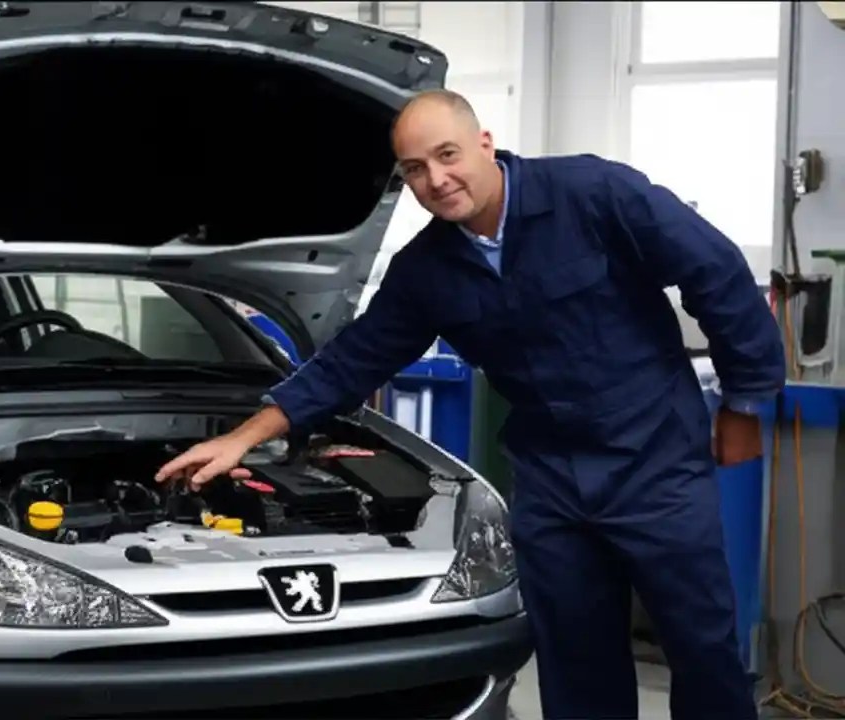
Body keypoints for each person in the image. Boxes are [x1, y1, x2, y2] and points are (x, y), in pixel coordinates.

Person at [154, 89, 784, 719]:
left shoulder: (596, 194)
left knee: (702, 647)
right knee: (575, 658)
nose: (437, 179)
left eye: (447, 154)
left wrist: (745, 401)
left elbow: (718, 271)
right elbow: (355, 359)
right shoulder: (427, 269)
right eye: (415, 170)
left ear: (485, 143)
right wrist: (246, 434)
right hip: (552, 479)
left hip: (656, 462)